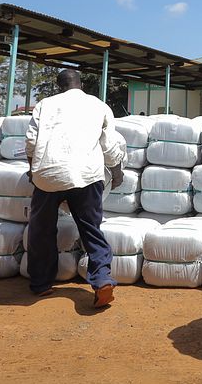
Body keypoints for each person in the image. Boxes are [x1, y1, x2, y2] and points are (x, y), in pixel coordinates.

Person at [25, 69, 126, 305]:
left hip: (48, 174)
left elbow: (31, 142)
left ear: (59, 85)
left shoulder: (44, 104)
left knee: (41, 230)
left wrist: (33, 172)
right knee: (91, 228)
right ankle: (102, 279)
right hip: (87, 175)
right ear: (81, 84)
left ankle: (41, 284)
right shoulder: (98, 105)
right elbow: (109, 145)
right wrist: (118, 172)